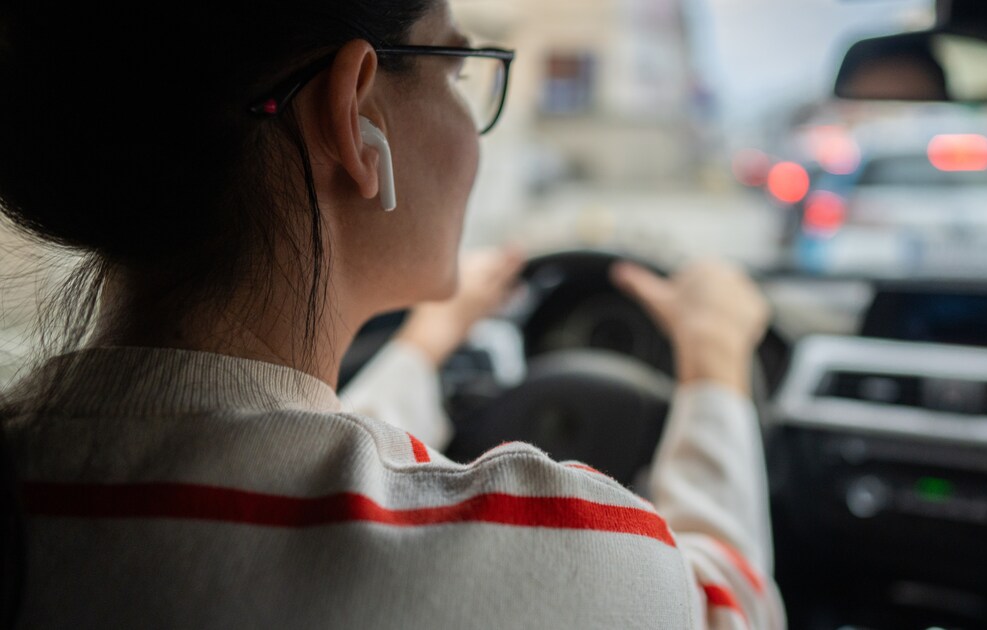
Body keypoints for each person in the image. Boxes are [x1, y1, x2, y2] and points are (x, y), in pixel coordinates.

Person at [0, 1, 785, 628]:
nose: (470, 122)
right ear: (354, 113)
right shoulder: (554, 549)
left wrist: (427, 345)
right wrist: (715, 363)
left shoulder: (35, 472)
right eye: (459, 66)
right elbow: (727, 605)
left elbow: (269, 458)